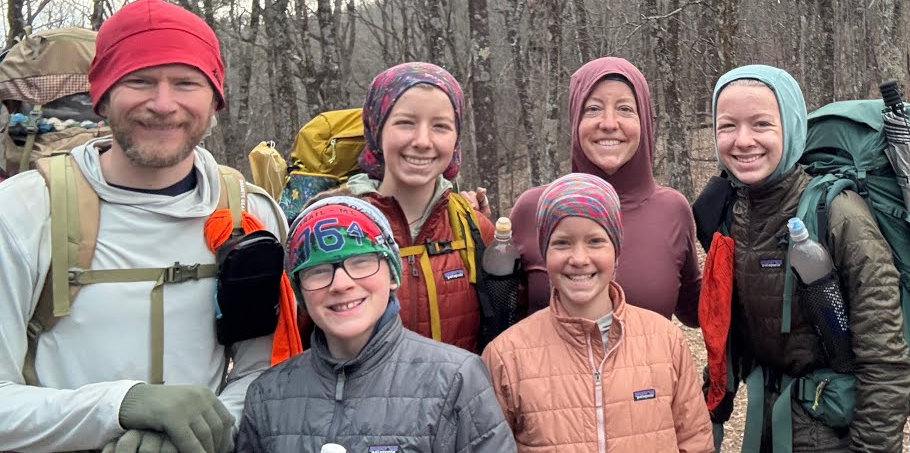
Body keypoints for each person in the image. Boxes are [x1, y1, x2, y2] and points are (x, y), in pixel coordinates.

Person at [0, 0, 289, 453]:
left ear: (214, 99)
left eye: (186, 82)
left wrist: (198, 435)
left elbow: (262, 370)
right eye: (139, 80)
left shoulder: (248, 214)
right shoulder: (23, 212)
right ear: (102, 95)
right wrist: (120, 406)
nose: (163, 103)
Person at [704, 65, 910, 452]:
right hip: (768, 422)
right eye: (727, 126)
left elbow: (886, 361)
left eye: (762, 124)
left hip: (835, 432)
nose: (743, 140)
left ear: (792, 127)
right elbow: (726, 334)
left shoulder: (838, 215)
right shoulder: (729, 212)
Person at [237, 196, 514, 452]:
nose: (341, 284)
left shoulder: (458, 381)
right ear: (300, 292)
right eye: (318, 271)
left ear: (393, 274)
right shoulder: (267, 396)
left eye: (360, 262)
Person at [482, 173, 713, 453]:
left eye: (595, 241)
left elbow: (694, 442)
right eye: (562, 243)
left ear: (616, 250)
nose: (579, 259)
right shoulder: (505, 358)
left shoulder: (666, 341)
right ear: (544, 253)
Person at [507, 57, 700, 326]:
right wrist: (477, 233)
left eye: (625, 109)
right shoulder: (534, 208)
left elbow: (698, 313)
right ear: (575, 120)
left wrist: (732, 228)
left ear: (644, 119)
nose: (609, 123)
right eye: (593, 109)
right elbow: (498, 314)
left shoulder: (672, 210)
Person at [341, 62, 497, 353]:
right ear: (377, 128)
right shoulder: (338, 225)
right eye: (405, 123)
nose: (423, 141)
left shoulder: (473, 228)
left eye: (440, 126)